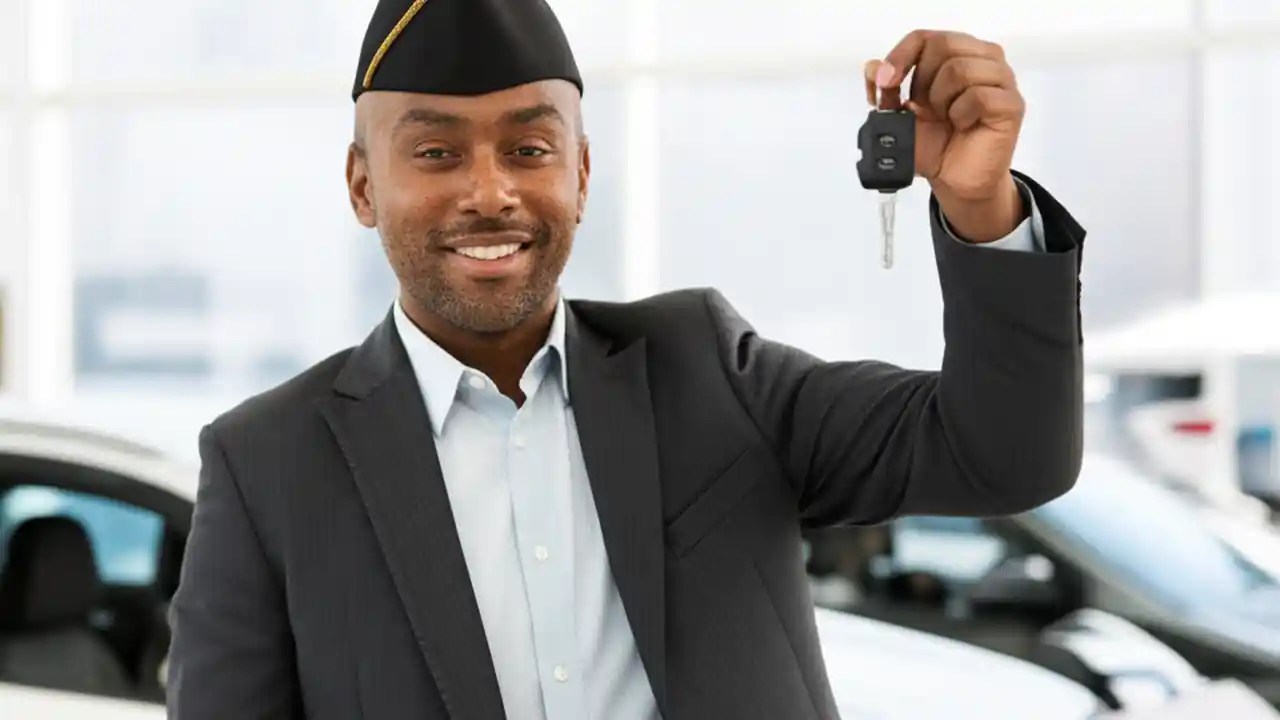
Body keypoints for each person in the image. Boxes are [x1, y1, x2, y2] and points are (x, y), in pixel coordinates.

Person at [166, 1, 1086, 718]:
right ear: (365, 186)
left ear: (581, 173)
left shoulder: (708, 375)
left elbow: (1006, 453)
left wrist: (983, 208)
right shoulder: (270, 465)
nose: (490, 192)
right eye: (437, 152)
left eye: (529, 148)